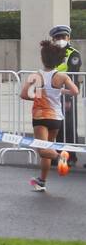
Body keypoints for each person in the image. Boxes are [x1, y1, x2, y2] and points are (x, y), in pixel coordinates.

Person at [20, 41, 80, 192]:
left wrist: (38, 97)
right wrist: (61, 92)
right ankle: (42, 181)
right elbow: (75, 91)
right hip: (56, 117)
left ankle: (61, 157)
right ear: (58, 60)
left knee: (41, 150)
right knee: (47, 148)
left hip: (40, 116)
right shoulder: (61, 76)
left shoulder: (36, 75)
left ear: (43, 59)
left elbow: (24, 94)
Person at [51, 25, 82, 168]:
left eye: (63, 37)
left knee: (68, 126)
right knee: (56, 126)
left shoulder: (73, 54)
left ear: (68, 38)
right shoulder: (52, 53)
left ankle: (70, 156)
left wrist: (68, 98)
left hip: (67, 94)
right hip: (54, 94)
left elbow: (72, 77)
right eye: (57, 38)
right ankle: (57, 155)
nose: (60, 40)